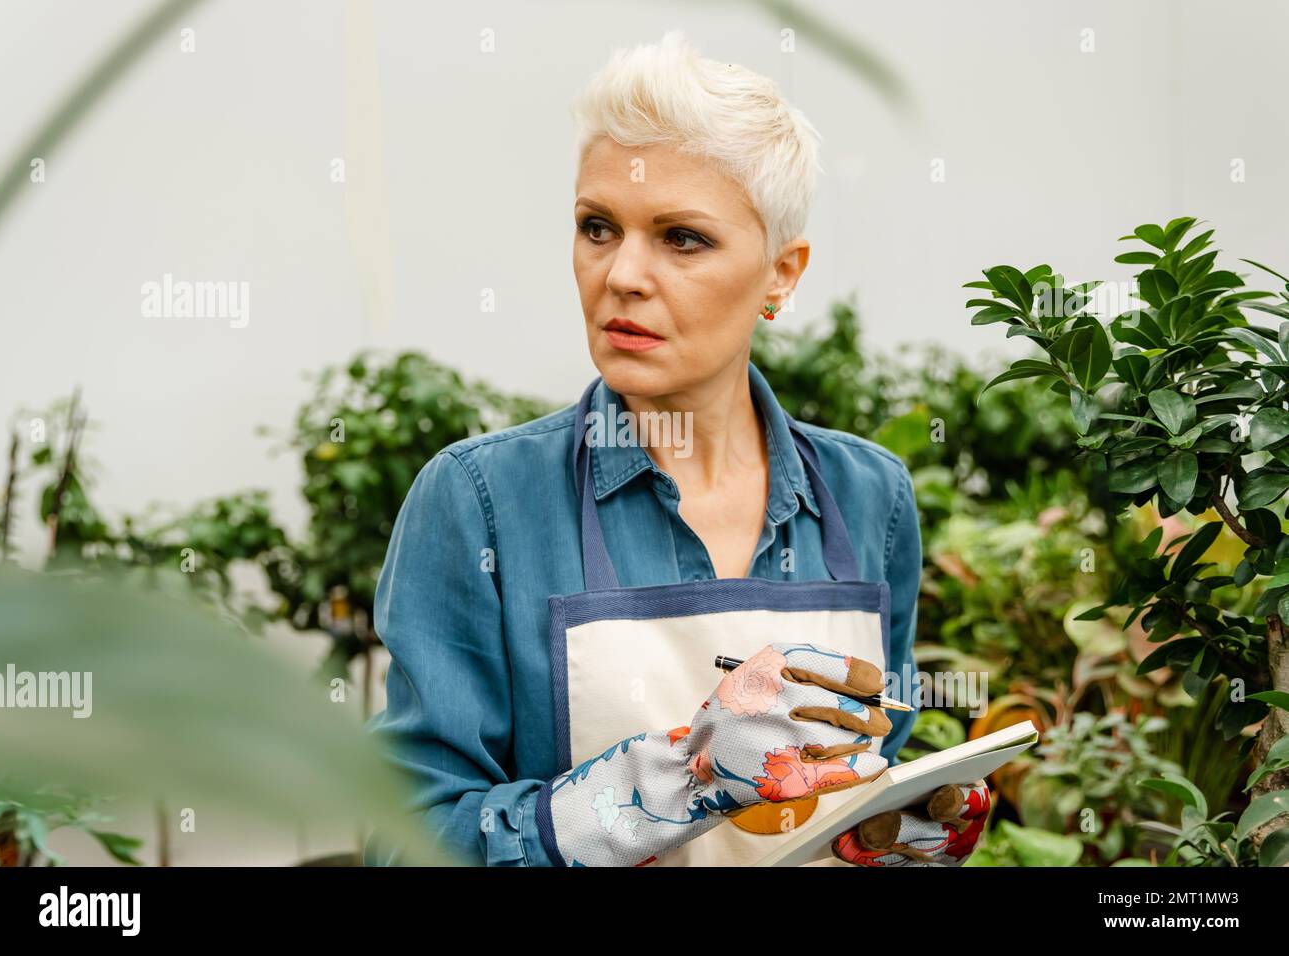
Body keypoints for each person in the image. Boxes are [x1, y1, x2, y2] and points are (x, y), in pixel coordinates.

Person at [364, 30, 987, 867]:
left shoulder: (868, 497)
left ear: (782, 273)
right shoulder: (480, 503)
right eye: (597, 227)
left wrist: (907, 832)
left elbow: (870, 770)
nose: (622, 273)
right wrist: (679, 780)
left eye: (681, 238)